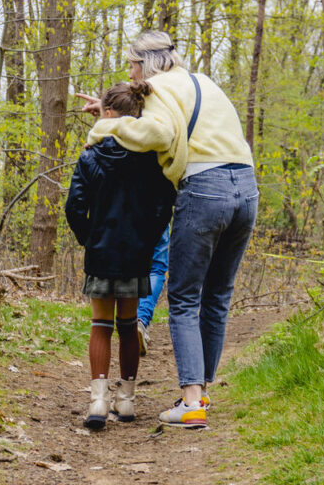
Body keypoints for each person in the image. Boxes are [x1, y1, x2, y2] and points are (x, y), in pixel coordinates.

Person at [77, 30, 257, 431]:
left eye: (131, 65)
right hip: (246, 188)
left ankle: (191, 403)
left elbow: (157, 134)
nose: (130, 73)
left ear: (145, 64)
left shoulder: (158, 88)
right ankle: (201, 394)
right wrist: (111, 112)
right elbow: (164, 125)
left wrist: (105, 127)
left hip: (205, 187)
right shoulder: (201, 82)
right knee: (217, 295)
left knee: (184, 297)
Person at [64, 81, 176, 430]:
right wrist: (147, 239)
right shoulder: (149, 159)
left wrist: (90, 239)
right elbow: (164, 204)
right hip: (135, 255)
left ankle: (98, 402)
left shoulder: (90, 156)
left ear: (108, 114)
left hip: (102, 253)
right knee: (128, 327)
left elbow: (73, 207)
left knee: (101, 325)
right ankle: (125, 401)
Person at [136, 230, 170, 355]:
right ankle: (141, 319)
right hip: (158, 220)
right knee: (156, 269)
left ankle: (130, 321)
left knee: (132, 264)